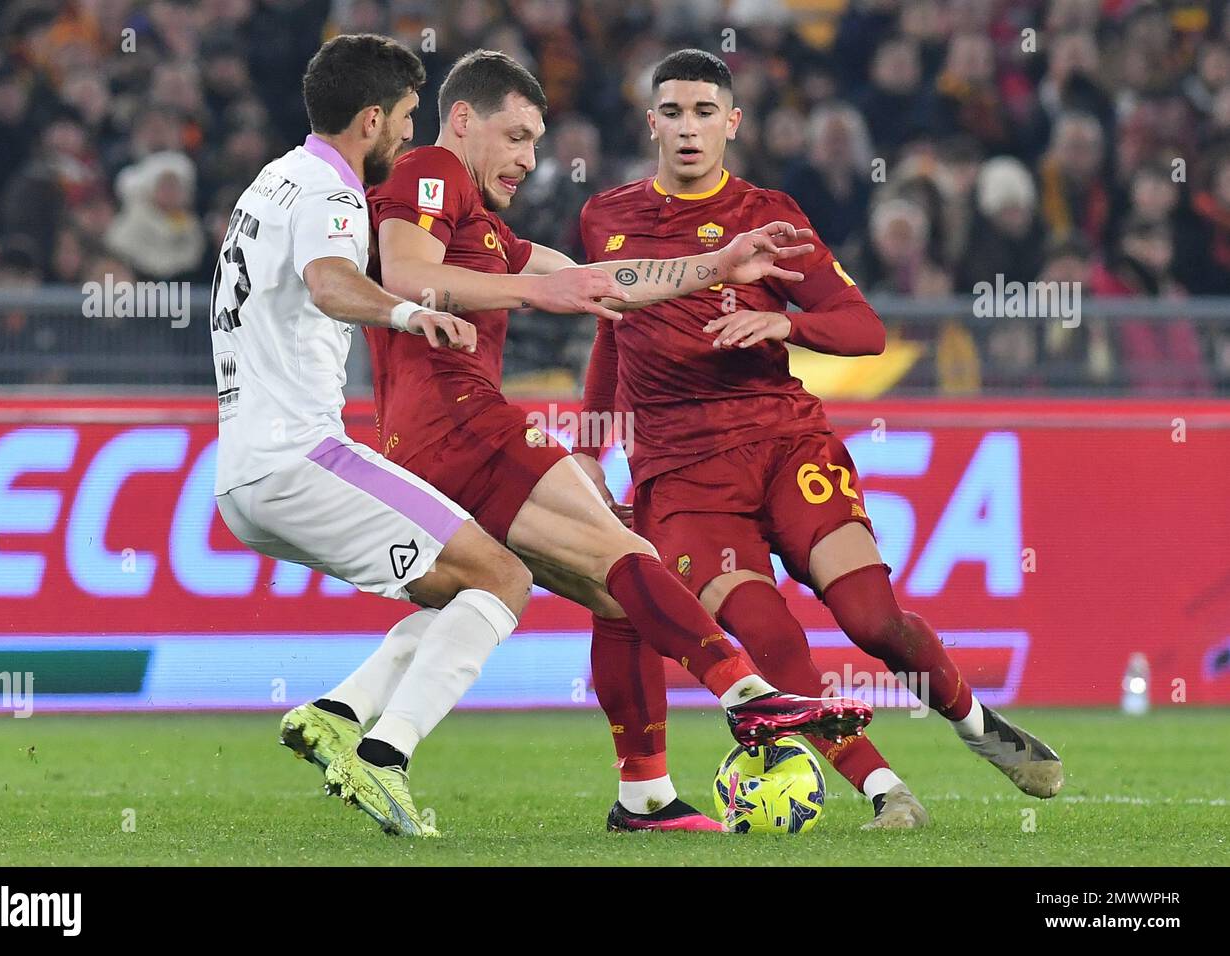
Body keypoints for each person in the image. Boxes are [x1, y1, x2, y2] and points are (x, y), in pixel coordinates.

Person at [318, 48, 874, 833]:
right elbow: (409, 275)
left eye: (537, 142)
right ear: (466, 120)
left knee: (616, 596)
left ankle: (639, 795)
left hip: (429, 441)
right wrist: (534, 290)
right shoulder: (427, 169)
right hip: (462, 427)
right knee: (629, 552)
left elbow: (602, 281)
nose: (528, 159)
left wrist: (714, 263)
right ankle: (750, 698)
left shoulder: (483, 227)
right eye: (516, 137)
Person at [576, 49, 1065, 829]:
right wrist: (585, 443)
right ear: (651, 124)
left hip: (784, 445)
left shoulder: (770, 215)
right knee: (769, 635)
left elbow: (865, 329)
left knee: (875, 622)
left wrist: (787, 322)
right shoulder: (604, 217)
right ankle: (886, 792)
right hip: (683, 474)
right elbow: (609, 334)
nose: (689, 128)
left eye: (706, 112)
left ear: (733, 124)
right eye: (673, 112)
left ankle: (979, 727)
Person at [210, 33, 531, 838]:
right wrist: (407, 310)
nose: (412, 136)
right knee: (504, 575)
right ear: (369, 118)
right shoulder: (333, 192)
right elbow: (328, 282)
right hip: (298, 457)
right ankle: (384, 759)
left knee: (465, 585)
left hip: (244, 471)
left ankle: (338, 712)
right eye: (407, 118)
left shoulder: (271, 181)